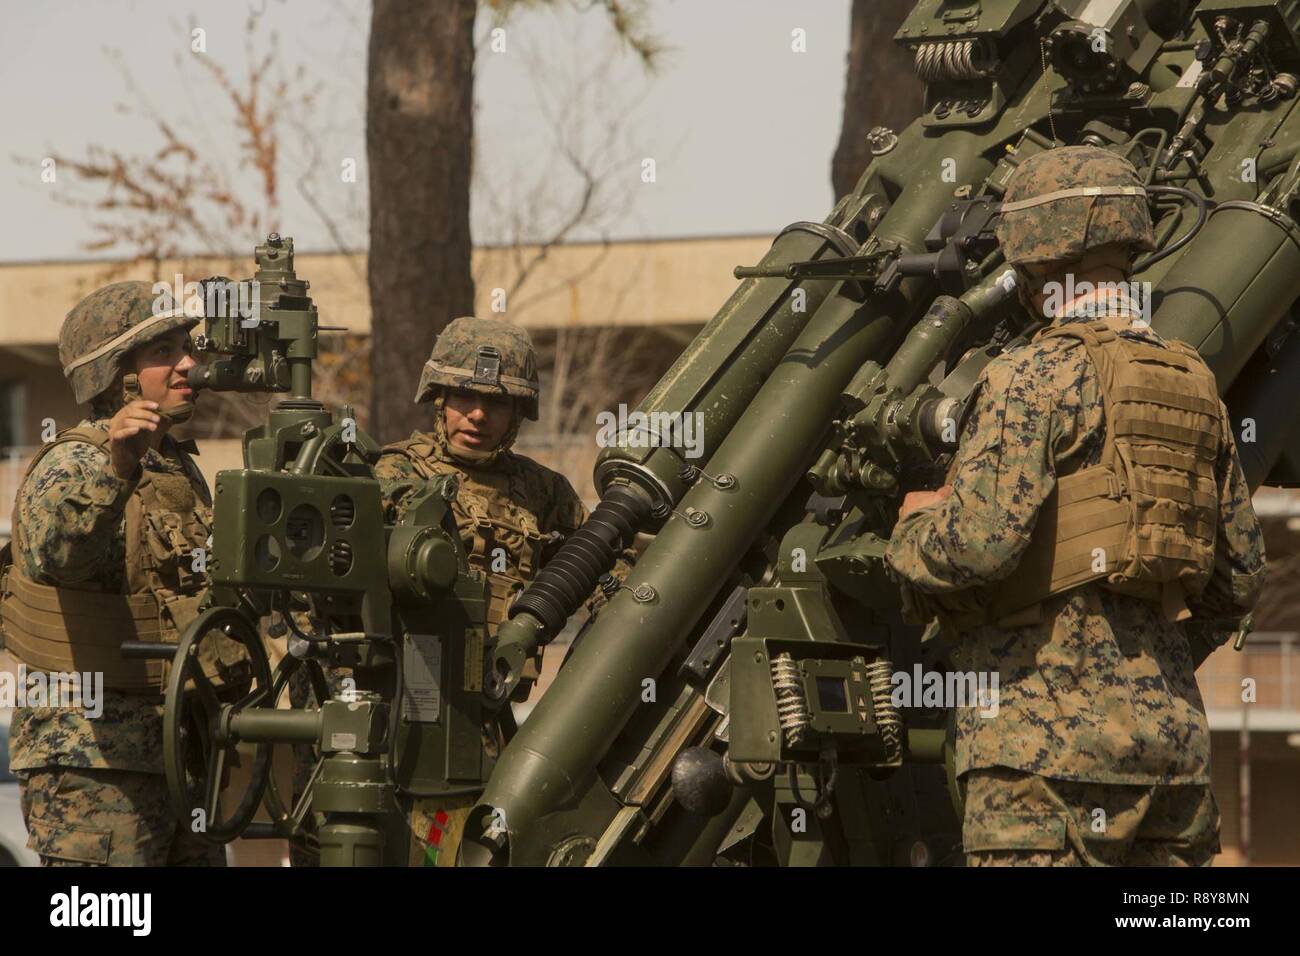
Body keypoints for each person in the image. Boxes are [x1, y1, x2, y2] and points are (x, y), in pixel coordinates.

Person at [882, 146, 1266, 866]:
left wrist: (910, 531)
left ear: (1030, 259)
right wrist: (1156, 656)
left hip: (1041, 756)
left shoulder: (1029, 376)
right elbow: (1238, 580)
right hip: (1171, 757)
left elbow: (979, 545)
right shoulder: (1194, 383)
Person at [1, 280, 225, 866]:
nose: (188, 365)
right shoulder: (74, 462)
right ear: (114, 374)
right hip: (93, 765)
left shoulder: (177, 468)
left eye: (188, 347)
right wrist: (118, 465)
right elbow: (60, 556)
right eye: (163, 353)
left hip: (182, 751)